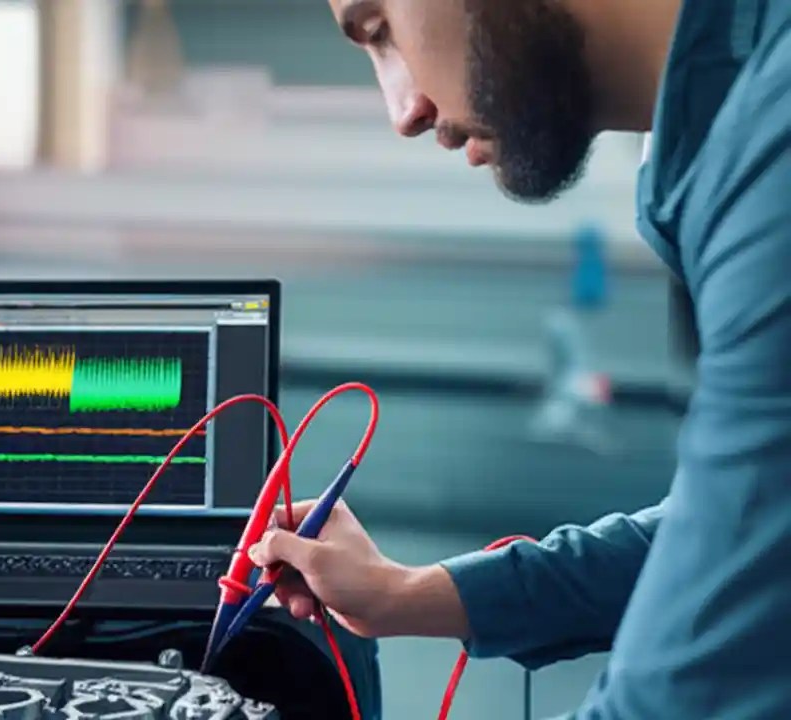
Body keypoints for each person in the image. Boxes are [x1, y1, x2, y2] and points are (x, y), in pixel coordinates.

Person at [249, 0, 791, 717]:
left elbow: (695, 679)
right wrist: (408, 595)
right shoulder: (734, 120)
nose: (403, 110)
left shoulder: (771, 154)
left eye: (380, 32)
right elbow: (734, 539)